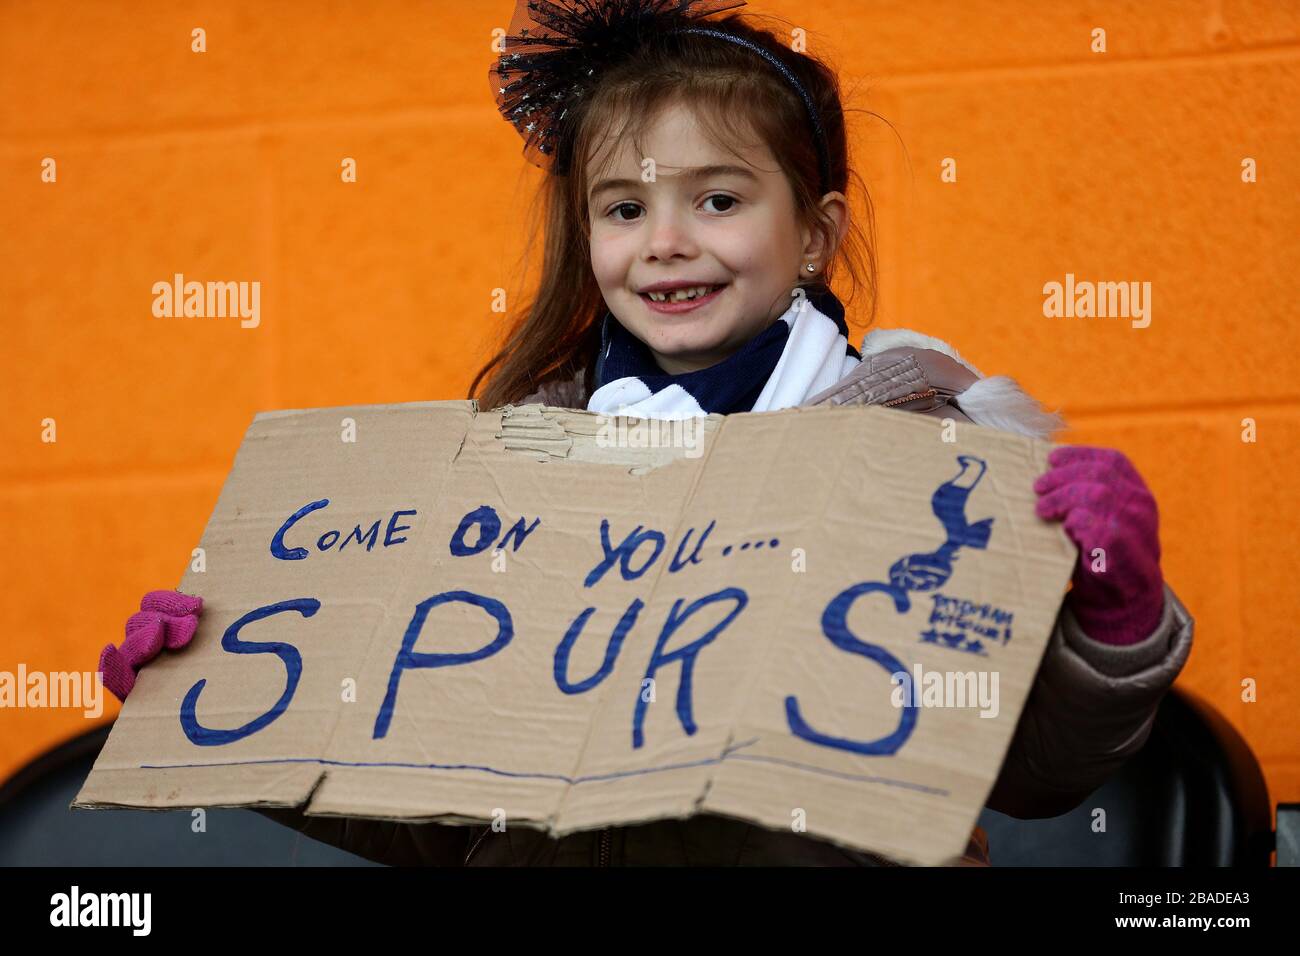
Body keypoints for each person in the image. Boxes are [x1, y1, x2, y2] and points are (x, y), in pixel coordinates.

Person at [98, 0, 1193, 866]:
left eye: (718, 200)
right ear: (586, 235)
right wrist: (219, 710)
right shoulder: (512, 459)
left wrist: (1115, 613)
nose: (664, 242)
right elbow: (439, 818)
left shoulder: (925, 446)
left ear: (815, 233)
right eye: (623, 208)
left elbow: (1032, 770)